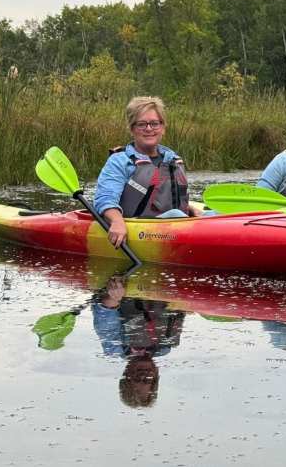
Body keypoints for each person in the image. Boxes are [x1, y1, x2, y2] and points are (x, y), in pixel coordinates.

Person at [94, 96, 202, 248]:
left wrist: (190, 209)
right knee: (176, 215)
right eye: (141, 124)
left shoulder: (173, 159)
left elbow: (166, 197)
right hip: (141, 228)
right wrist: (117, 222)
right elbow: (105, 200)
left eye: (154, 123)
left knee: (212, 214)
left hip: (177, 224)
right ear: (132, 129)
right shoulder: (120, 161)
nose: (149, 129)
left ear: (163, 127)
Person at [92, 276, 187, 407]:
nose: (144, 375)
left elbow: (105, 313)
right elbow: (181, 309)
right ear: (156, 376)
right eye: (148, 380)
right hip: (169, 281)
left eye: (137, 379)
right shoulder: (165, 347)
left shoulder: (114, 348)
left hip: (130, 281)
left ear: (126, 374)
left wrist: (113, 296)